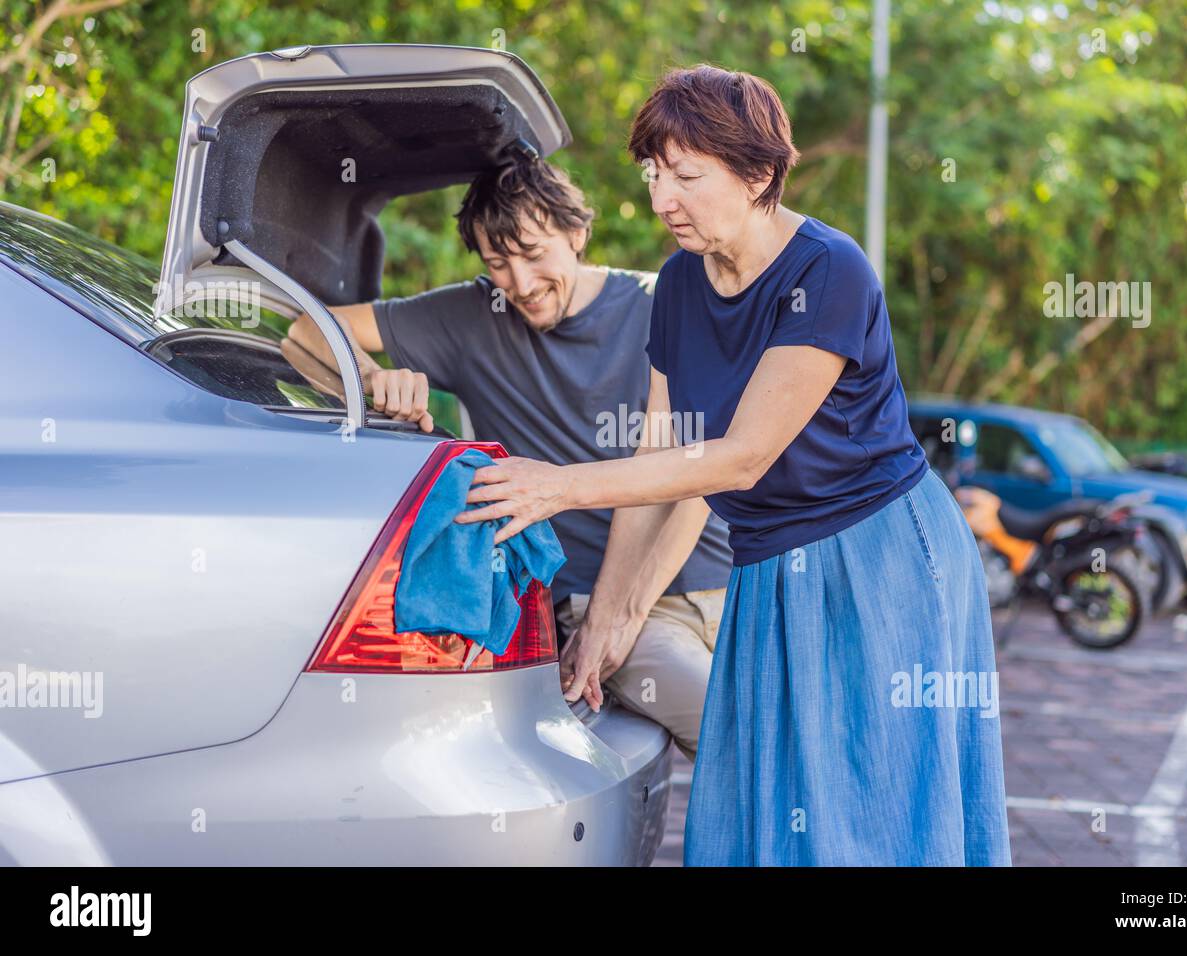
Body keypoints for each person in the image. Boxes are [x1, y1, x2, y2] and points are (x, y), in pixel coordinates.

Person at [454, 65, 1013, 866]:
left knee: (871, 802)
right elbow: (659, 452)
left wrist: (558, 484)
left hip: (879, 558)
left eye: (685, 177)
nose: (659, 202)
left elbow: (741, 459)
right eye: (653, 176)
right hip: (769, 568)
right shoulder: (679, 285)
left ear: (758, 175)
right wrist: (605, 626)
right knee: (766, 800)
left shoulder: (829, 270)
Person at [284, 159, 733, 762]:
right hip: (618, 608)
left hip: (726, 584)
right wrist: (375, 380)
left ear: (576, 233)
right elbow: (305, 335)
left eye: (533, 252)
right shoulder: (470, 319)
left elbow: (703, 477)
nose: (519, 283)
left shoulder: (662, 303)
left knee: (818, 742)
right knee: (741, 742)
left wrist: (623, 612)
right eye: (498, 264)